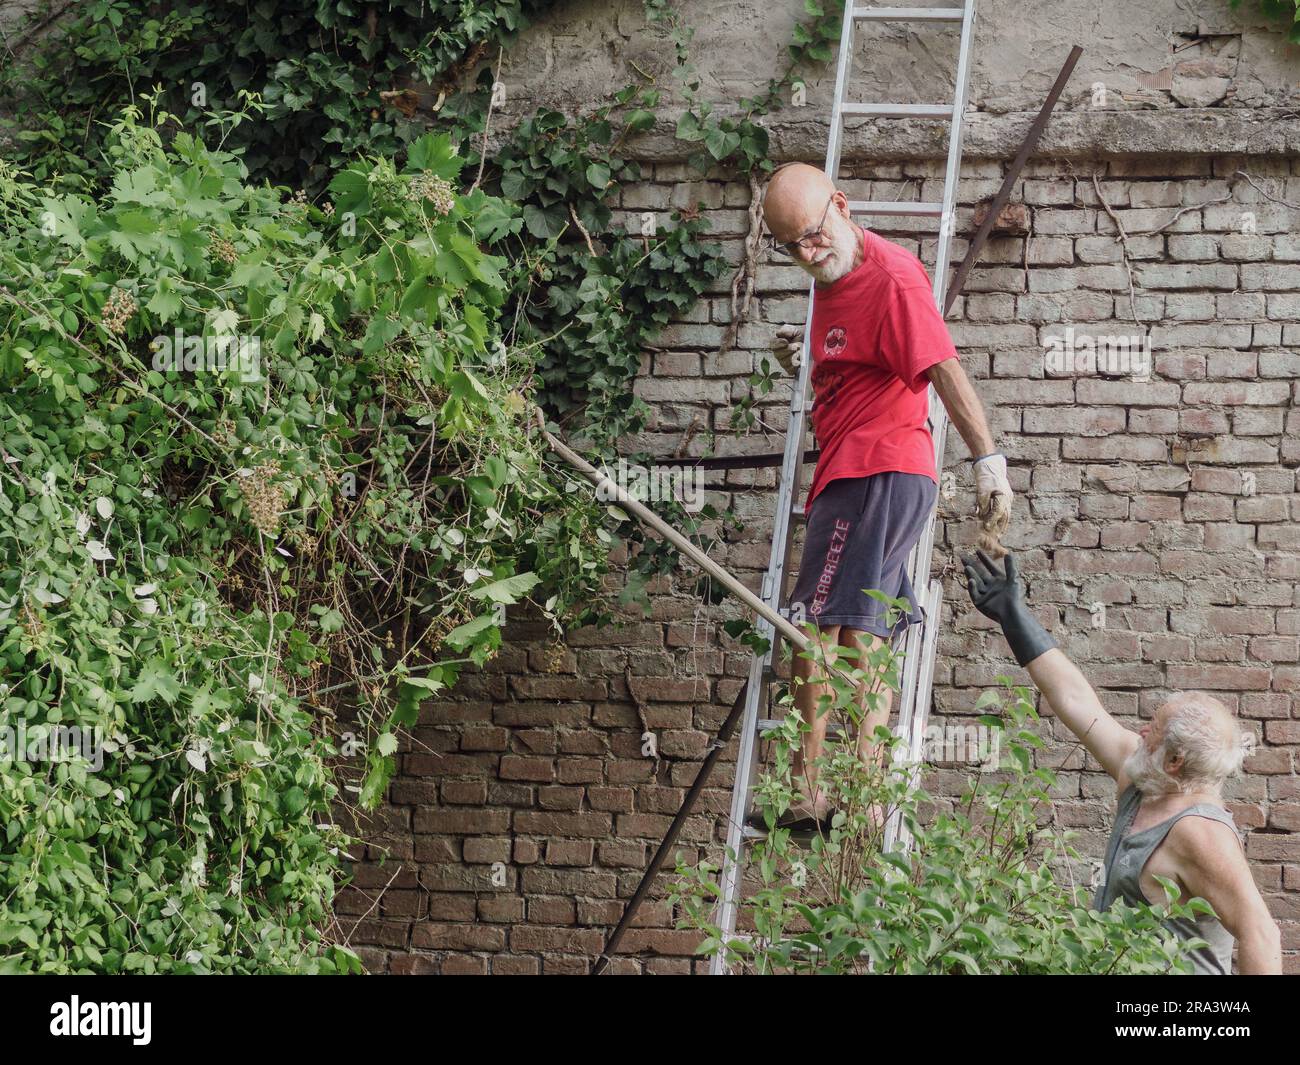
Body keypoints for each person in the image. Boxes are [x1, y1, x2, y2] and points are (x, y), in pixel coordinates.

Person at [758, 162, 1009, 829]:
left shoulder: (892, 277)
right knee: (862, 628)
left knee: (813, 626)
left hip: (875, 471)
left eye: (814, 235)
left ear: (840, 205)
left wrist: (988, 459)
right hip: (867, 472)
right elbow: (852, 367)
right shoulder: (828, 282)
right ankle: (867, 796)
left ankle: (809, 793)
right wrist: (807, 362)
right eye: (793, 248)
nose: (810, 254)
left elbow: (942, 368)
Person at [963, 549, 1283, 974]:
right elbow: (1076, 700)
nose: (1141, 732)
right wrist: (1012, 615)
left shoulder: (1200, 833)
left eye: (1153, 728)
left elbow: (1261, 933)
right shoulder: (1141, 780)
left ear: (1174, 761)